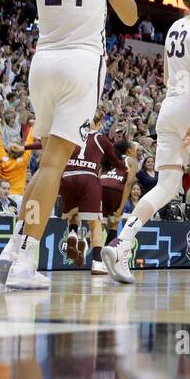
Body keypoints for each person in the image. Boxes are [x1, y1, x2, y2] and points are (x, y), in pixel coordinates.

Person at [0, 0, 138, 290]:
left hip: (42, 64)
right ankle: (27, 260)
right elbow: (129, 16)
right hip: (79, 64)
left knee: (46, 165)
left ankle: (13, 248)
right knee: (52, 167)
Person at [104, 0, 190, 284]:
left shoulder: (174, 27)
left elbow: (165, 76)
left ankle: (122, 242)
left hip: (168, 106)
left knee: (167, 186)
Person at [59, 108, 123, 274]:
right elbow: (116, 162)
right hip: (89, 179)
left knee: (73, 215)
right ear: (99, 123)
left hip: (67, 176)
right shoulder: (100, 138)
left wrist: (25, 147)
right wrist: (126, 169)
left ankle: (73, 234)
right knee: (96, 224)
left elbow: (45, 144)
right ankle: (96, 262)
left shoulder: (72, 136)